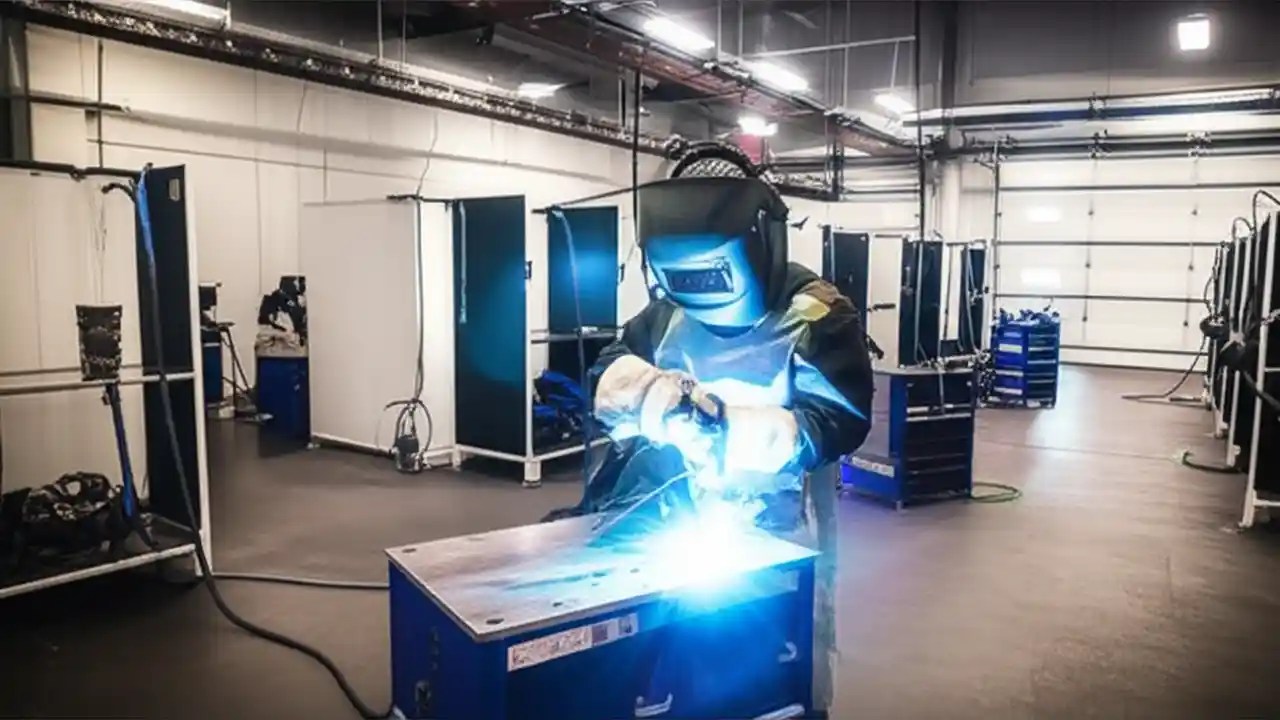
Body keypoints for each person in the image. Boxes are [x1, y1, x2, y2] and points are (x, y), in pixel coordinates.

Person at [577, 141, 875, 717]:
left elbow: (840, 417)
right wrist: (650, 396)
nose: (699, 297)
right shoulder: (669, 310)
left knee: (777, 665)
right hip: (678, 511)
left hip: (780, 525)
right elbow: (608, 367)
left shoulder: (814, 313)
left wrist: (732, 430)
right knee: (673, 645)